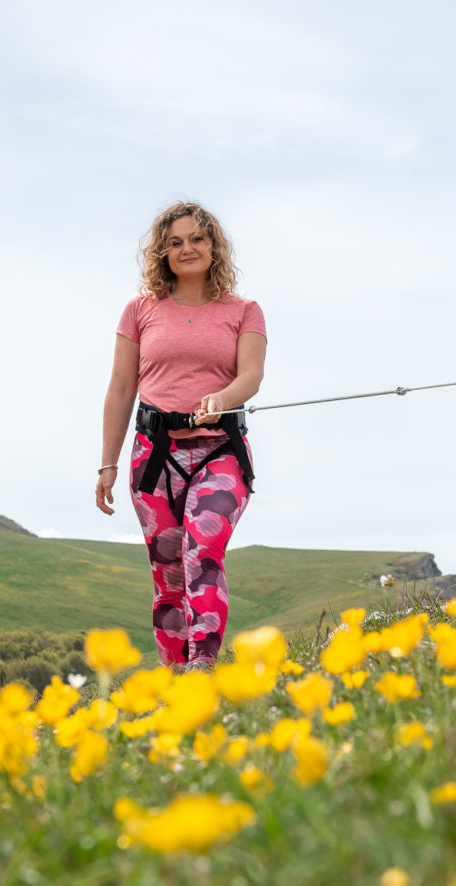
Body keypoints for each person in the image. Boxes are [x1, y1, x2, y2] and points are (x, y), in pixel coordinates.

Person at [95, 201, 266, 668]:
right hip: (153, 456)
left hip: (220, 452)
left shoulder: (244, 311)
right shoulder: (140, 310)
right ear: (162, 253)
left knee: (203, 549)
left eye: (197, 238)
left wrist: (222, 398)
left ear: (214, 246)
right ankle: (175, 683)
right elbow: (121, 387)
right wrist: (107, 464)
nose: (187, 248)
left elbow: (251, 376)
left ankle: (203, 667)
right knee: (168, 574)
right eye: (175, 242)